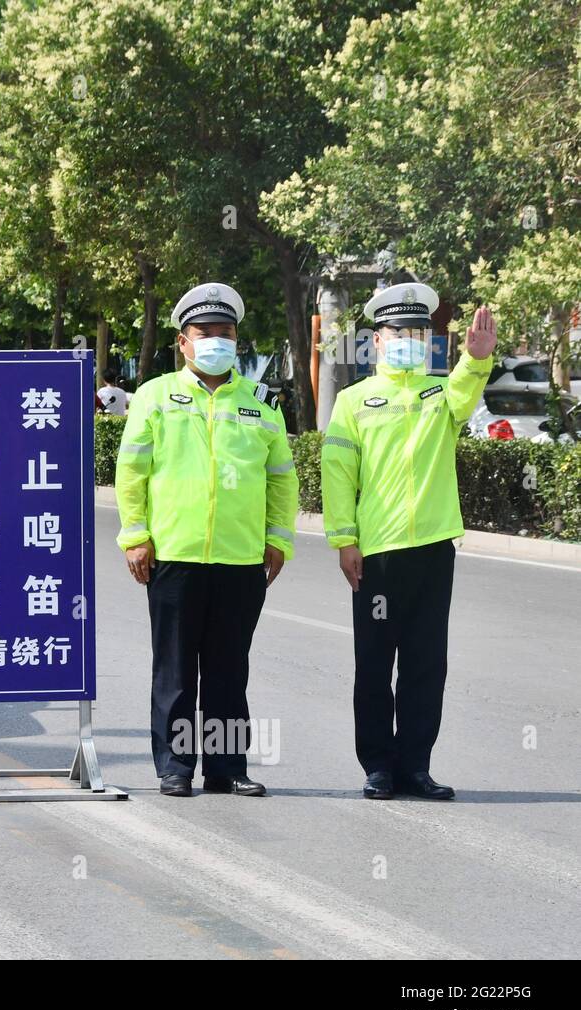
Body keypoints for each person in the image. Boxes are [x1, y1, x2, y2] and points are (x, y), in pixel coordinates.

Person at [115, 282, 299, 797]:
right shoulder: (155, 395)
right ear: (183, 342)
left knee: (228, 671)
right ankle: (175, 767)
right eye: (205, 333)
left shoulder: (262, 402)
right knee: (174, 671)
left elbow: (282, 475)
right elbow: (131, 470)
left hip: (241, 559)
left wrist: (277, 538)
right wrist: (135, 535)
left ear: (237, 340)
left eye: (226, 333)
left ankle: (227, 768)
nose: (216, 341)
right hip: (173, 555)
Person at [321, 283, 496, 801]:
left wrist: (477, 360)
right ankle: (377, 765)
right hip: (377, 555)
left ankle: (416, 765)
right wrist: (344, 539)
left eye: (419, 332)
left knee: (426, 663)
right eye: (400, 332)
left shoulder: (440, 393)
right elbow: (336, 472)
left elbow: (466, 393)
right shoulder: (354, 401)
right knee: (375, 665)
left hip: (434, 550)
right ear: (376, 341)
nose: (410, 340)